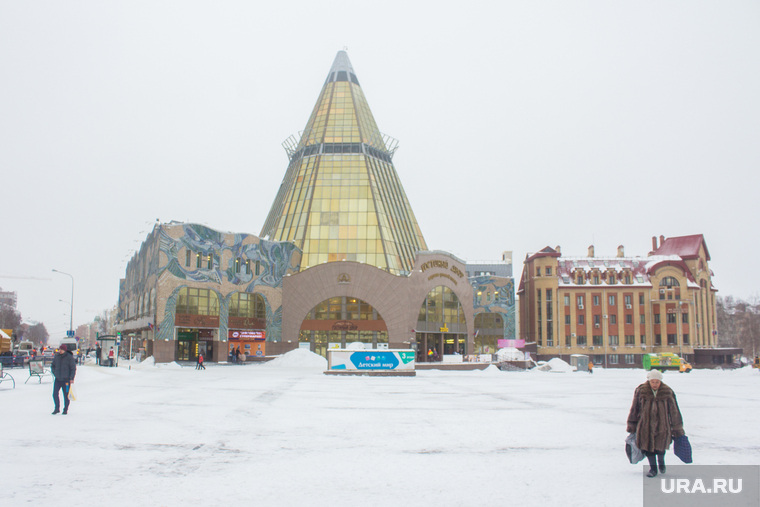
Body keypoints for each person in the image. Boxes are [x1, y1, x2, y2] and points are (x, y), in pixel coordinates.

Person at [626, 369, 685, 477]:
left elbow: (674, 411)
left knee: (660, 448)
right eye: (652, 382)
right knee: (647, 449)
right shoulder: (641, 391)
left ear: (660, 382)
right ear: (649, 381)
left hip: (662, 426)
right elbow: (635, 409)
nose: (654, 384)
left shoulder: (667, 392)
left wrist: (677, 428)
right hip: (645, 426)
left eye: (657, 382)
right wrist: (632, 425)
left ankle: (661, 463)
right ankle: (653, 469)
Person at [51, 344, 76, 415]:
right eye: (59, 349)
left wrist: (71, 378)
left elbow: (73, 368)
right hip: (58, 379)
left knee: (66, 395)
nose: (60, 351)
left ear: (64, 350)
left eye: (61, 350)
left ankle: (65, 409)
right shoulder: (57, 357)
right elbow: (53, 365)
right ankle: (57, 408)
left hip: (66, 380)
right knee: (55, 394)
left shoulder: (69, 357)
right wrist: (54, 373)